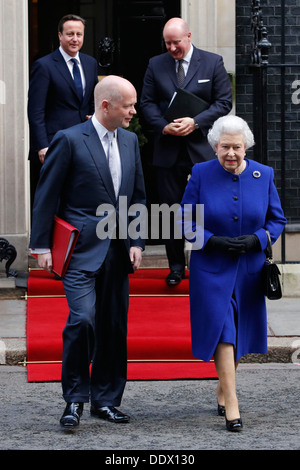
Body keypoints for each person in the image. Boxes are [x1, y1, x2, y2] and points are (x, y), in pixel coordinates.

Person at [29, 76, 146, 429]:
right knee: (82, 320)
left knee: (113, 326)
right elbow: (46, 194)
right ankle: (75, 400)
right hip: (80, 251)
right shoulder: (68, 139)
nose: (133, 111)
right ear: (105, 106)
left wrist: (138, 241)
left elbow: (137, 195)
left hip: (118, 250)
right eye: (128, 105)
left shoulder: (130, 141)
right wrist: (40, 245)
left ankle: (106, 401)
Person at [180, 115, 286, 432]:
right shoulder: (200, 173)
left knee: (239, 333)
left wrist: (258, 239)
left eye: (236, 147)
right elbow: (183, 220)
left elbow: (277, 221)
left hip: (250, 269)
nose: (231, 153)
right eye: (225, 146)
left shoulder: (263, 174)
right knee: (223, 328)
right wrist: (211, 240)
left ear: (246, 147)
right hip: (211, 267)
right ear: (215, 147)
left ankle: (223, 388)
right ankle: (234, 403)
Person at [140, 17, 232, 286]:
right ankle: (176, 267)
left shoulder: (212, 62)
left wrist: (196, 121)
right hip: (168, 150)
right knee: (171, 211)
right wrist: (163, 127)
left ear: (188, 36)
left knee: (208, 208)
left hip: (201, 150)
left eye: (176, 42)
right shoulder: (155, 64)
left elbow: (223, 101)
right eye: (167, 43)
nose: (171, 48)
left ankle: (206, 262)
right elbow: (146, 103)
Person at [27, 14, 99, 208]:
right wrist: (42, 145)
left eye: (79, 34)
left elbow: (93, 99)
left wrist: (95, 116)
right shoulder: (44, 65)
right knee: (54, 202)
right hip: (54, 144)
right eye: (70, 34)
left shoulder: (90, 63)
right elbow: (35, 110)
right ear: (60, 36)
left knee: (80, 197)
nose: (75, 39)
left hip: (85, 142)